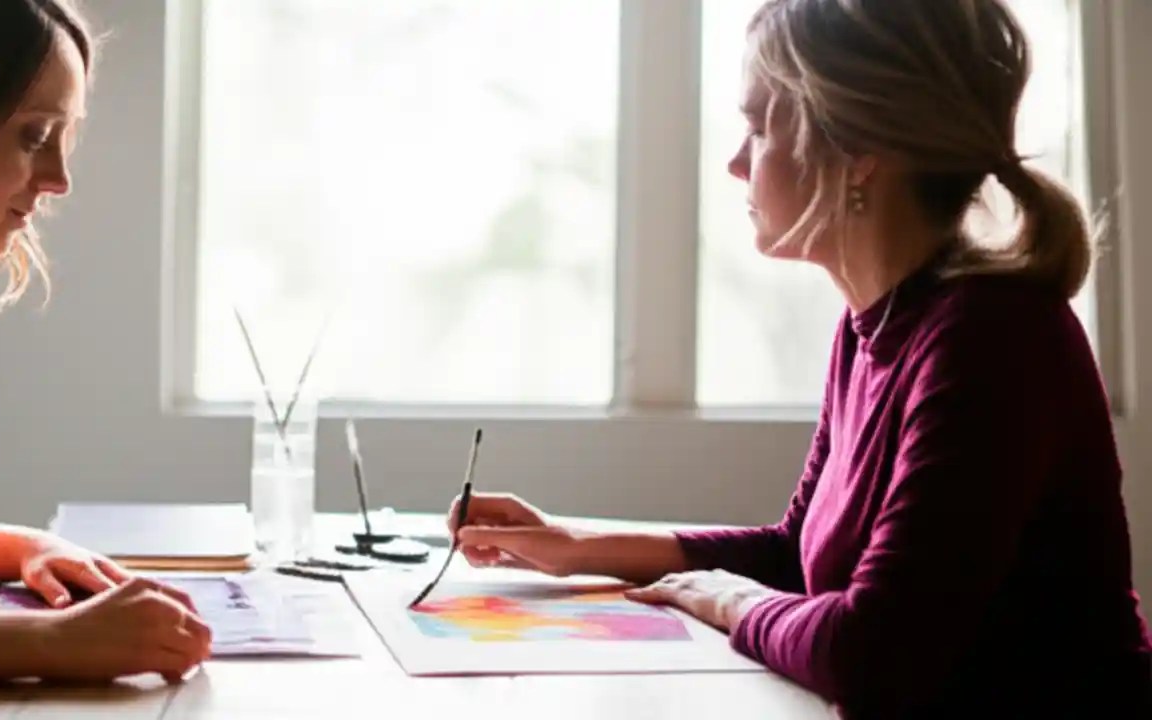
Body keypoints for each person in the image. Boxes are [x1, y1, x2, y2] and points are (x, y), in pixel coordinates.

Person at [448, 0, 1152, 716]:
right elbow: (798, 556)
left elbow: (869, 650)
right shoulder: (870, 329)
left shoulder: (994, 340)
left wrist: (729, 602)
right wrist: (573, 543)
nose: (734, 161)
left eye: (758, 127)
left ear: (859, 152)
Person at [0, 0, 211, 699]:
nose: (58, 179)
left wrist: (28, 546)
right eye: (34, 136)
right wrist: (54, 640)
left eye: (65, 139)